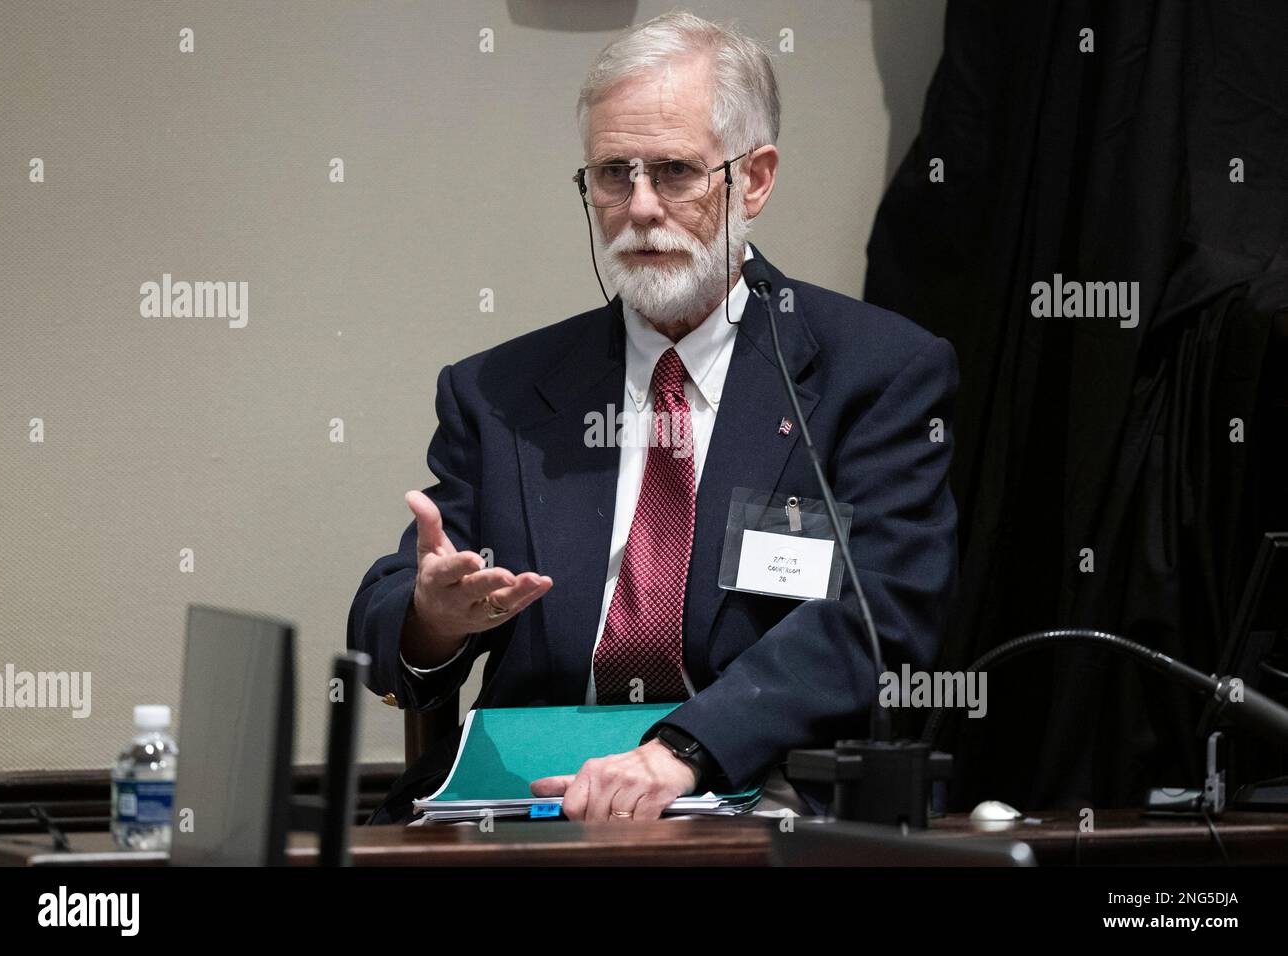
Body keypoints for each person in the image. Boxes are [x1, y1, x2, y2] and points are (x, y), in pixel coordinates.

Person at [348, 10, 959, 824]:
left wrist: (682, 750)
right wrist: (432, 620)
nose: (639, 208)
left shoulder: (874, 371)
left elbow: (886, 613)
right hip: (531, 803)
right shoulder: (502, 390)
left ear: (757, 179)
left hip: (762, 797)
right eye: (612, 174)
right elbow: (388, 614)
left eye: (674, 171)